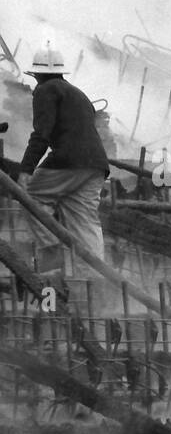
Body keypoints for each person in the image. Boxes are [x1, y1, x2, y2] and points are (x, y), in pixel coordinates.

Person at [17, 47, 110, 275]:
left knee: (30, 196)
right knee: (83, 219)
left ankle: (51, 252)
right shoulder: (78, 94)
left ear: (36, 75)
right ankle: (93, 282)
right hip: (96, 165)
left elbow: (41, 133)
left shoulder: (45, 90)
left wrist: (26, 170)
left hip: (68, 160)